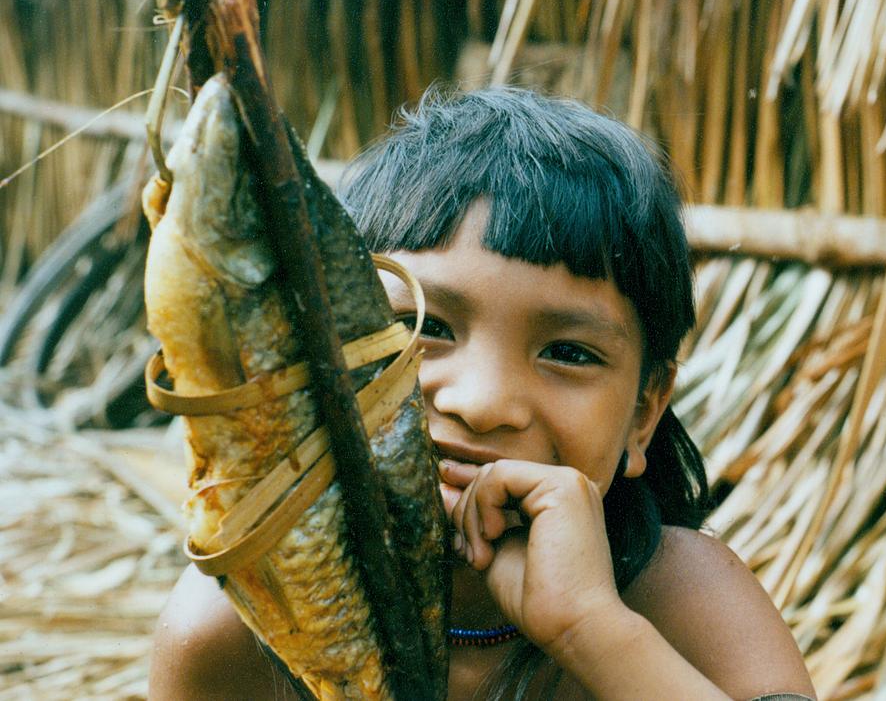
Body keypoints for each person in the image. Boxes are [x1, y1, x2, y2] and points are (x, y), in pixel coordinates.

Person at [148, 87, 816, 700]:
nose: (483, 400)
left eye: (568, 352)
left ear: (643, 412)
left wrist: (592, 629)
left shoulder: (678, 601)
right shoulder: (236, 631)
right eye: (427, 326)